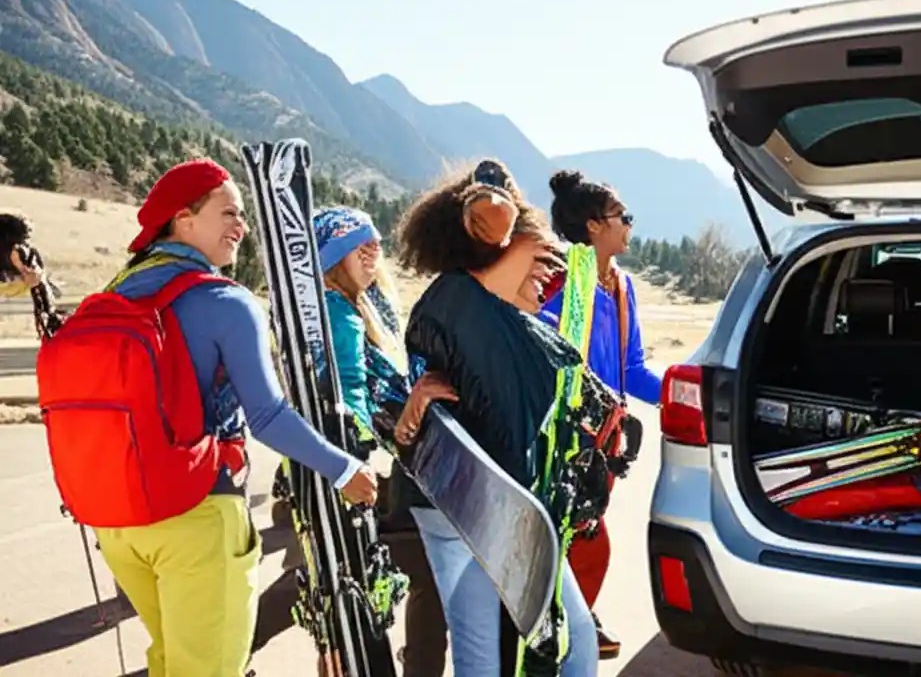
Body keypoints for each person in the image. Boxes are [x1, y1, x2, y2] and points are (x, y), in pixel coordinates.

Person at [71, 159, 379, 677]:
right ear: (183, 221)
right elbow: (267, 415)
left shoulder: (114, 293)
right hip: (195, 512)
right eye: (228, 212)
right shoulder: (224, 301)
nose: (242, 225)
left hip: (116, 518)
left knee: (172, 660)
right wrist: (344, 470)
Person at [392, 159, 599, 677]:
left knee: (559, 640)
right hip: (466, 510)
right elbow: (417, 395)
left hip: (509, 512)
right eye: (542, 248)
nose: (552, 262)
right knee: (485, 651)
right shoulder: (456, 303)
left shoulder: (505, 319)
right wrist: (407, 414)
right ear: (503, 238)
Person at [313, 204, 448, 677]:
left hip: (368, 468)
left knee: (347, 585)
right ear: (332, 254)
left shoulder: (360, 305)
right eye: (358, 244)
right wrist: (367, 454)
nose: (373, 250)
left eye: (375, 242)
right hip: (364, 473)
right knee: (420, 576)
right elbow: (348, 396)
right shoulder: (339, 313)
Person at [541, 169, 662, 657]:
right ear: (594, 226)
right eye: (622, 216)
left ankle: (571, 627)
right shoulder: (557, 283)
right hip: (566, 437)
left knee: (583, 538)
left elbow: (631, 368)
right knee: (584, 541)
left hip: (607, 441)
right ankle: (563, 633)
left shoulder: (621, 287)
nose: (629, 225)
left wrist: (681, 392)